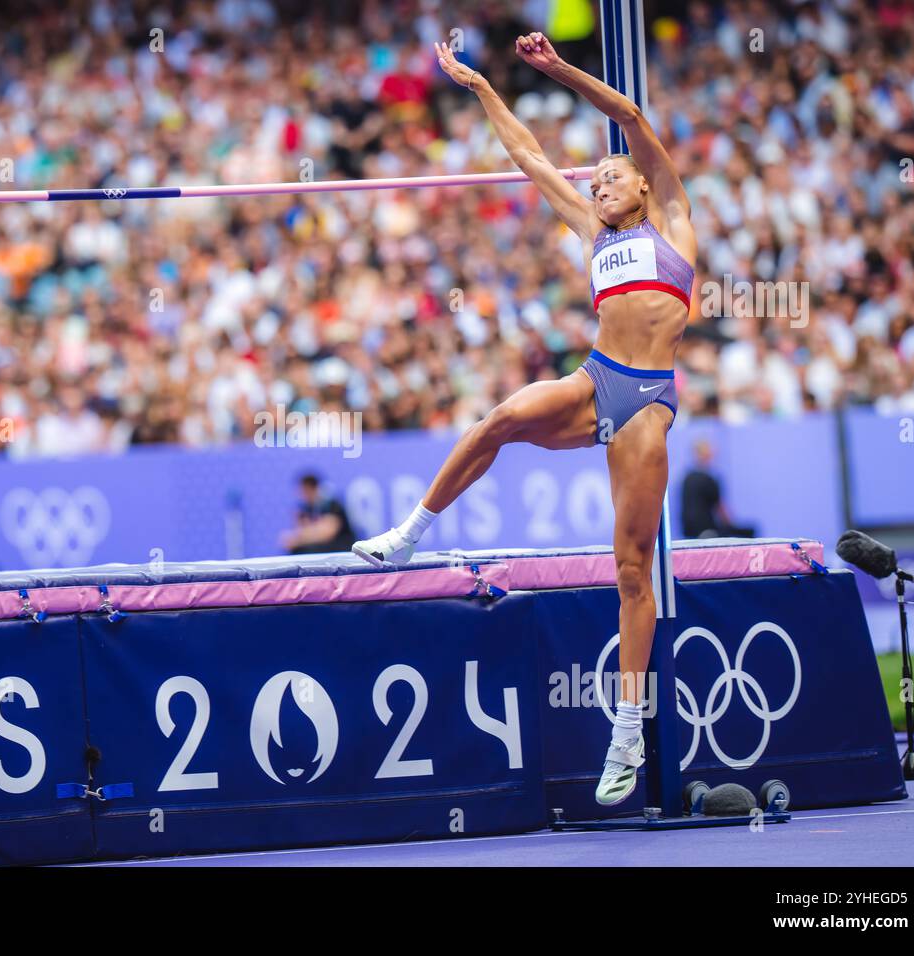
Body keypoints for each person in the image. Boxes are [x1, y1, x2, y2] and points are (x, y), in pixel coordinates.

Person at [353, 32, 697, 808]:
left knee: (632, 570)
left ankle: (627, 732)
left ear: (646, 187)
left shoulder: (674, 220)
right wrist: (482, 87)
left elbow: (630, 114)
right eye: (596, 180)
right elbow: (529, 157)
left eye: (612, 177)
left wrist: (556, 69)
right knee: (501, 417)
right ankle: (409, 533)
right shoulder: (594, 232)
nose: (599, 185)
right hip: (595, 378)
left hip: (646, 398)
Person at [680, 439, 756, 538]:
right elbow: (721, 510)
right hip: (708, 530)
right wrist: (733, 527)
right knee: (749, 532)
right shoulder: (709, 479)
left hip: (689, 532)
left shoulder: (687, 478)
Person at [280, 473, 357, 555]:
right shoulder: (305, 509)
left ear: (313, 488)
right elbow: (300, 531)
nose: (301, 494)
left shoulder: (331, 505)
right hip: (321, 548)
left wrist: (299, 540)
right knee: (297, 551)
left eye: (304, 490)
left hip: (340, 548)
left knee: (309, 550)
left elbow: (327, 533)